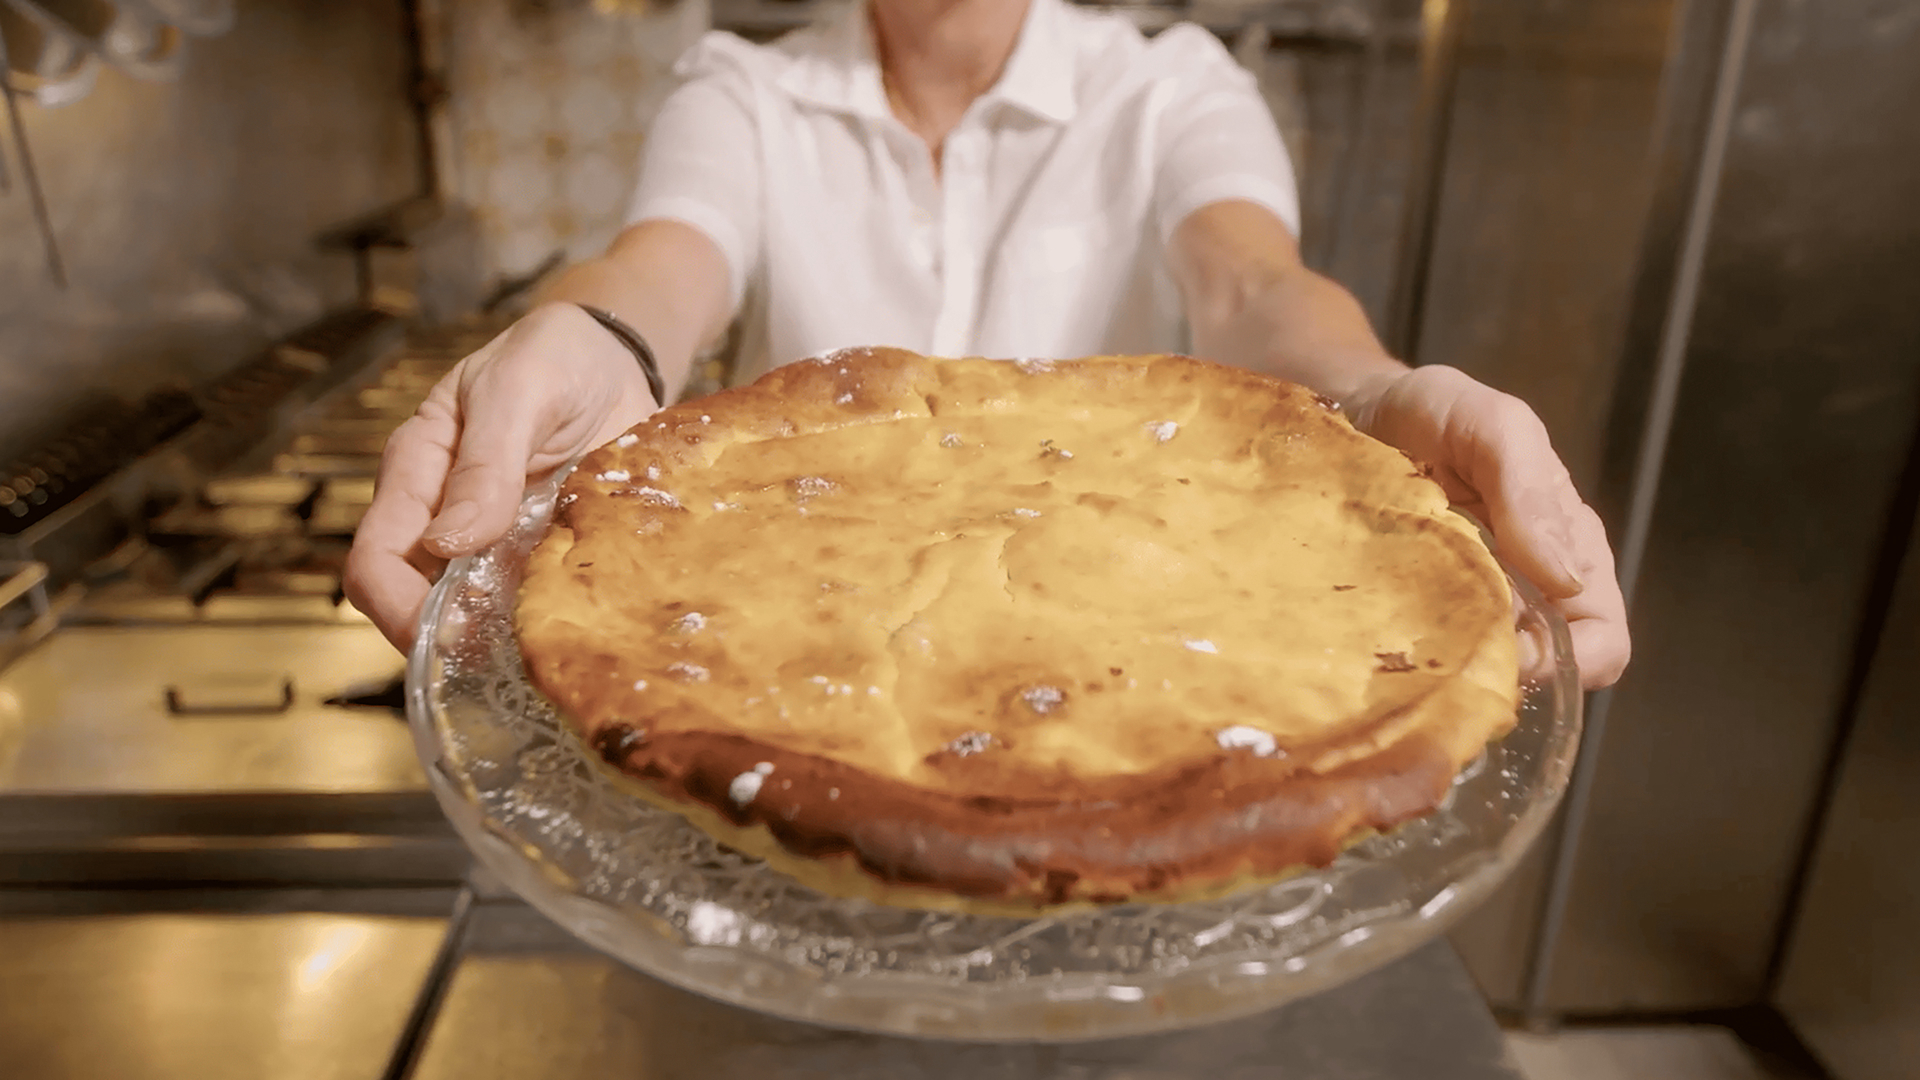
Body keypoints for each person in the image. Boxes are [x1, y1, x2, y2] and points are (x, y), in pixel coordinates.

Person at [345, 0, 1630, 689]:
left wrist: (1373, 394)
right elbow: (663, 268)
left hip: (1125, 687)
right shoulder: (742, 89)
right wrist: (602, 336)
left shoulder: (1168, 85)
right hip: (797, 674)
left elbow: (1250, 288)